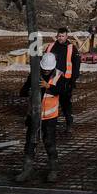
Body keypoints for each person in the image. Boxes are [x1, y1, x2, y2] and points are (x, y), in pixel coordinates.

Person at [16, 52, 64, 183]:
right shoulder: (35, 74)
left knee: (49, 143)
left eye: (49, 70)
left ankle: (53, 169)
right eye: (44, 69)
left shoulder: (59, 75)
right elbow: (23, 91)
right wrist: (29, 90)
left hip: (50, 117)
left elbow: (63, 91)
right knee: (31, 143)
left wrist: (48, 86)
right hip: (34, 116)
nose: (46, 71)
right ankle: (27, 169)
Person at [44, 28, 80, 130]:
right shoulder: (51, 46)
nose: (60, 38)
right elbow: (45, 60)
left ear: (66, 36)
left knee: (65, 103)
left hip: (66, 81)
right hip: (52, 79)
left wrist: (73, 80)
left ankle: (69, 121)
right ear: (57, 36)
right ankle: (50, 120)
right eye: (59, 36)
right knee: (50, 100)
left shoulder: (71, 48)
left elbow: (76, 65)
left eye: (62, 36)